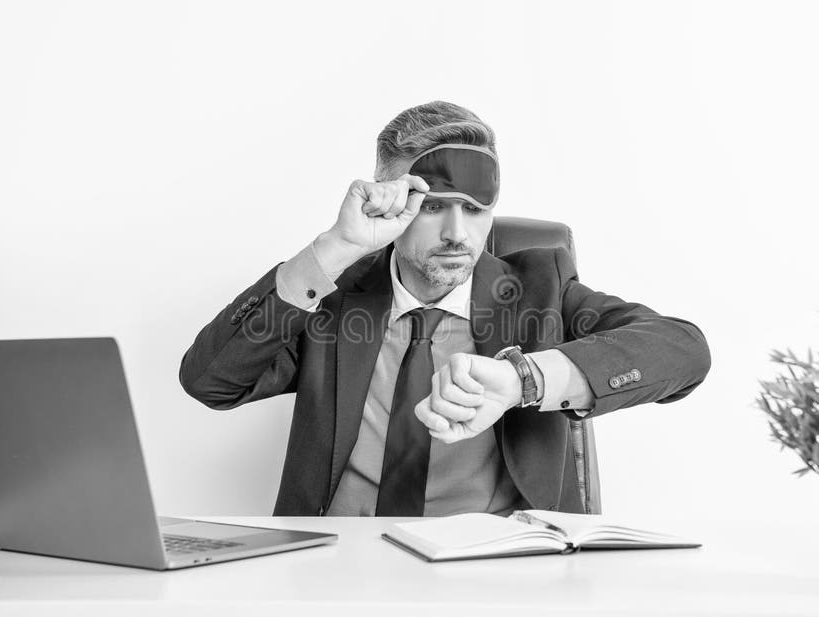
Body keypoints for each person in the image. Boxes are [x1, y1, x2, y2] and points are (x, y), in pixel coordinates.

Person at [179, 100, 711, 517]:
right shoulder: (331, 300)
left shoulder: (540, 292)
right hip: (336, 569)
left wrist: (522, 378)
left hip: (491, 576)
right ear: (388, 202)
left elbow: (683, 351)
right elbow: (211, 381)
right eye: (432, 207)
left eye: (475, 210)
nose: (458, 235)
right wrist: (335, 248)